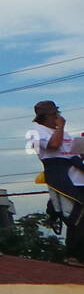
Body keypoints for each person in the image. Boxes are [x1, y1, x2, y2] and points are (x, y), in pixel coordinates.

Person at [30, 101, 84, 266]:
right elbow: (53, 146)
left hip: (78, 176)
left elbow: (75, 153)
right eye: (54, 114)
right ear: (45, 116)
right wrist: (60, 128)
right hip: (60, 177)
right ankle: (73, 255)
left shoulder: (65, 133)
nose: (58, 117)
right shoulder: (35, 132)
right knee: (74, 215)